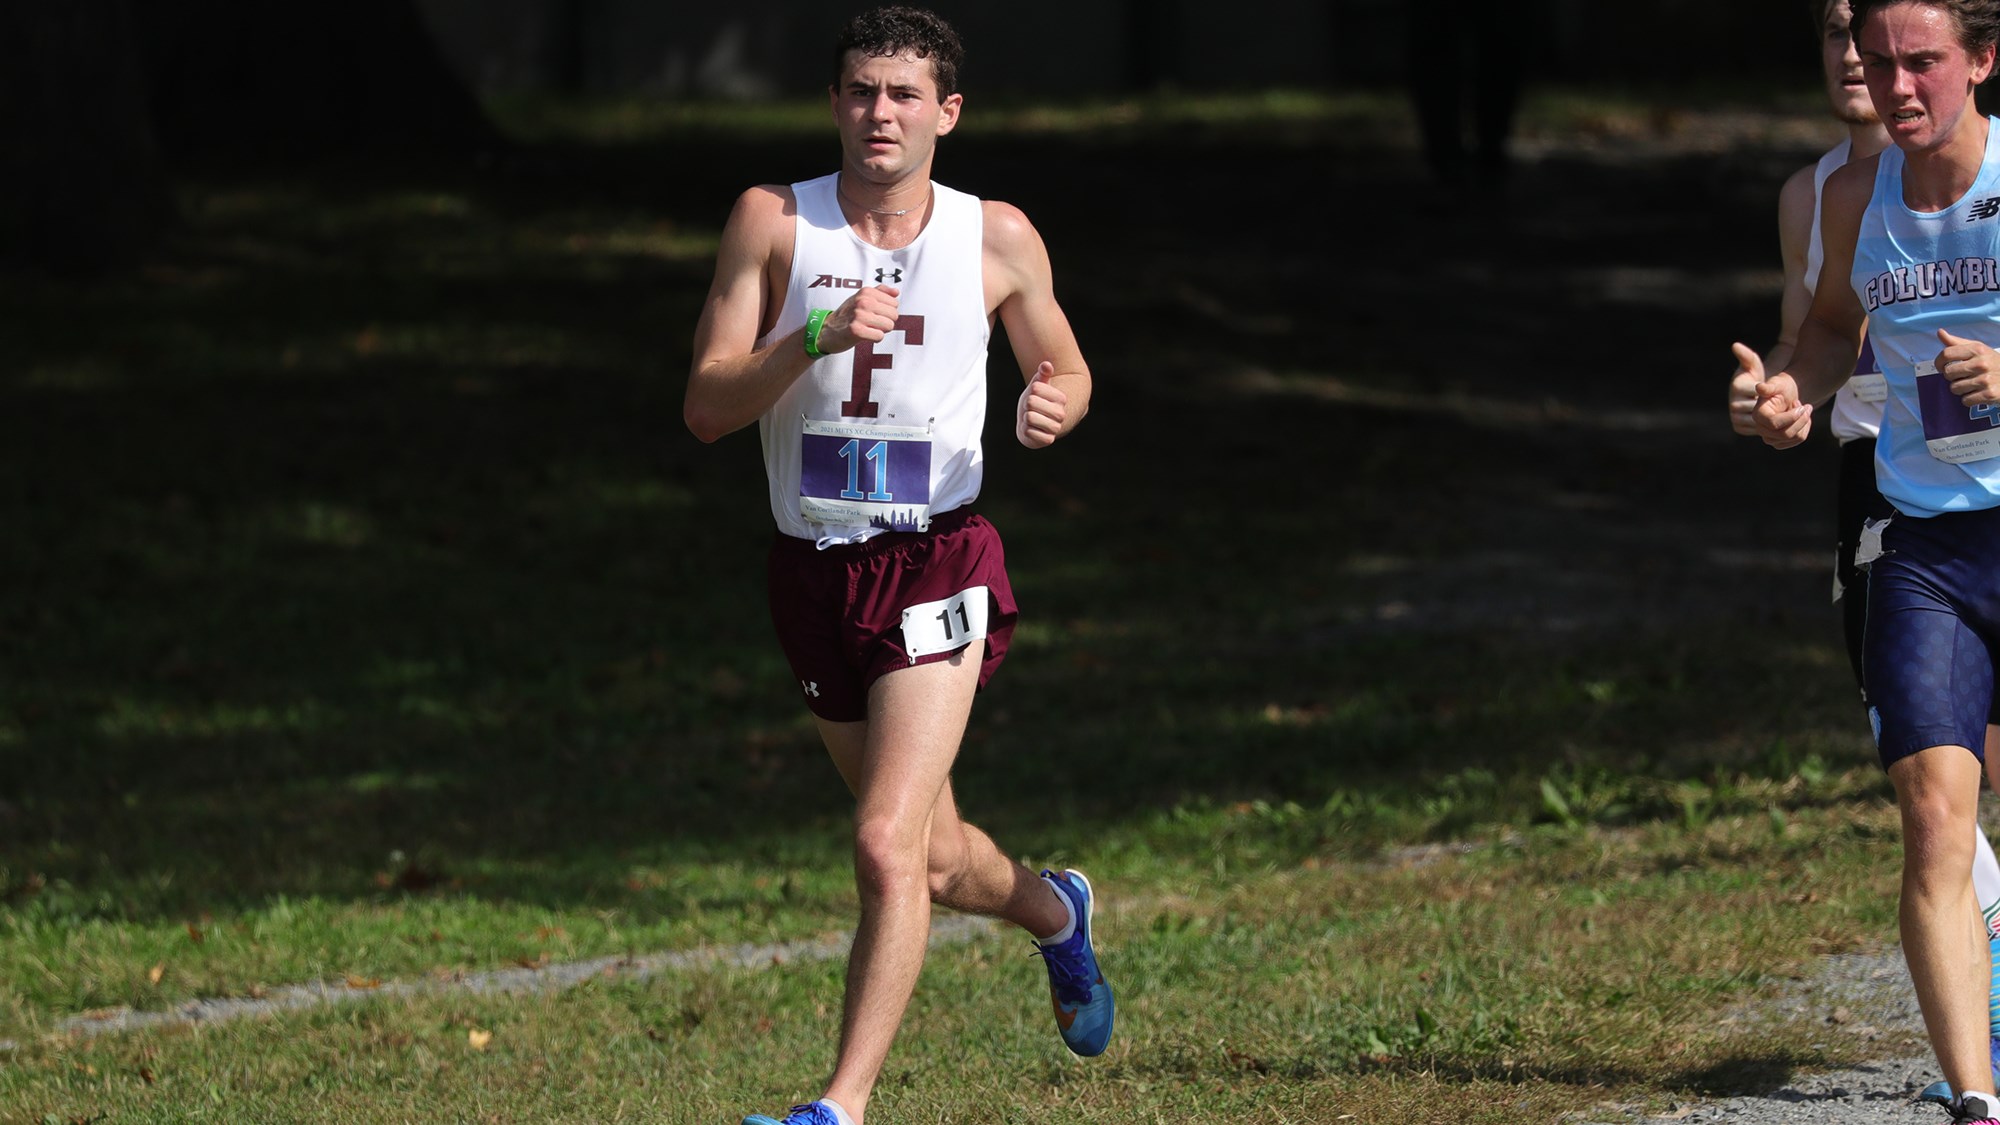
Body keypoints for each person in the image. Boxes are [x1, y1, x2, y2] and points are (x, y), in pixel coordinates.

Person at [685, 8, 1112, 1124]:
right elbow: (704, 408)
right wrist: (809, 342)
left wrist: (1053, 403)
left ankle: (839, 1108)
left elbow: (1062, 369)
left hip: (935, 561)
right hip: (810, 570)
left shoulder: (995, 237)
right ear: (834, 104)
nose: (882, 112)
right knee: (930, 858)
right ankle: (1056, 912)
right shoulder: (773, 224)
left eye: (905, 94)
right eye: (863, 91)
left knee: (880, 843)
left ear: (947, 113)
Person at [1726, 0, 2000, 1090]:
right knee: (1934, 814)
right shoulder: (1850, 193)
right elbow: (1832, 326)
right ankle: (1973, 1098)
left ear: (1980, 58)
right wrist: (1787, 392)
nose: (1893, 87)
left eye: (1920, 64)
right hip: (1920, 538)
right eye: (1876, 63)